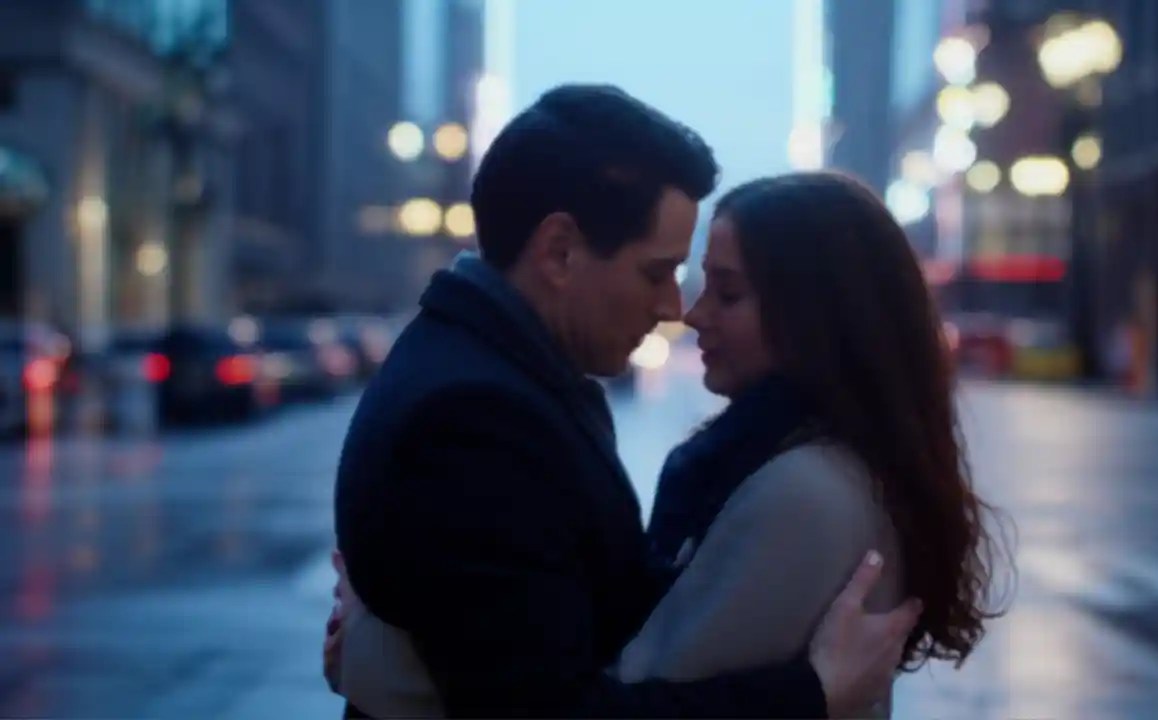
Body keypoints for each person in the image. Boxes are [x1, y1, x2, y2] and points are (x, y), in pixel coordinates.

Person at [330, 84, 922, 718]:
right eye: (656, 272)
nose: (675, 308)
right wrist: (810, 696)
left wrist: (384, 660)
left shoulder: (502, 375)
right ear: (559, 251)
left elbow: (583, 619)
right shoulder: (475, 418)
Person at [613, 172, 1007, 716]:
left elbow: (648, 684)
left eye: (728, 293)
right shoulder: (813, 459)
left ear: (815, 314)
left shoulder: (801, 491)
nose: (694, 314)